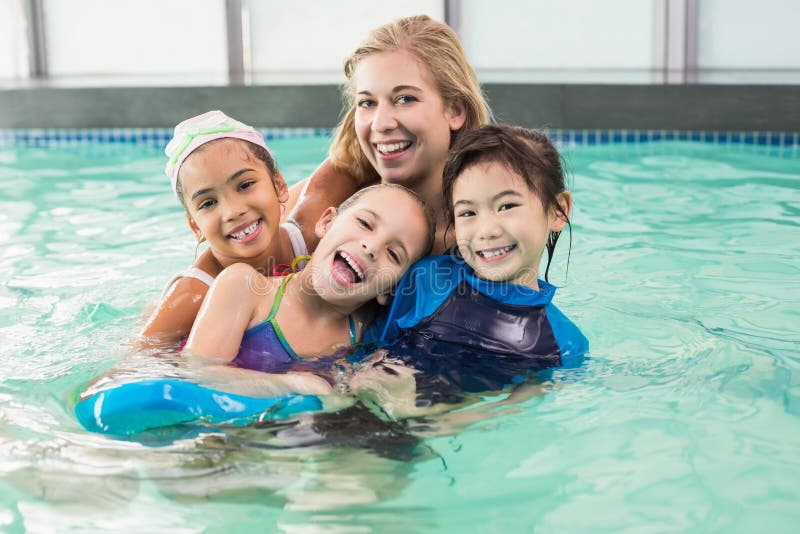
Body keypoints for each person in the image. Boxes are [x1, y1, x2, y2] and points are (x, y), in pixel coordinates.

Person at [350, 125, 589, 412]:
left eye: (506, 206)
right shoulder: (426, 281)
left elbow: (505, 413)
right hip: (364, 407)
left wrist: (427, 416)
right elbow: (370, 351)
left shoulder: (562, 344)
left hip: (430, 434)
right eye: (468, 213)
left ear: (558, 211)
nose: (486, 231)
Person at [180, 183, 435, 397]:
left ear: (389, 291)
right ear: (326, 222)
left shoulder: (365, 338)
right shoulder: (245, 288)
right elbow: (196, 374)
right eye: (365, 223)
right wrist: (293, 385)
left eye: (393, 254)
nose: (371, 247)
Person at [285, 15, 492, 255]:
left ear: (455, 110)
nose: (380, 124)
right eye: (367, 102)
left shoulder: (489, 238)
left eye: (405, 99)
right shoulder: (327, 199)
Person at [139, 110, 310, 348]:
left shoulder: (308, 238)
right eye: (208, 203)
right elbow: (131, 368)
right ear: (194, 226)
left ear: (279, 185)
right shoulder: (192, 295)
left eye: (245, 185)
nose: (232, 212)